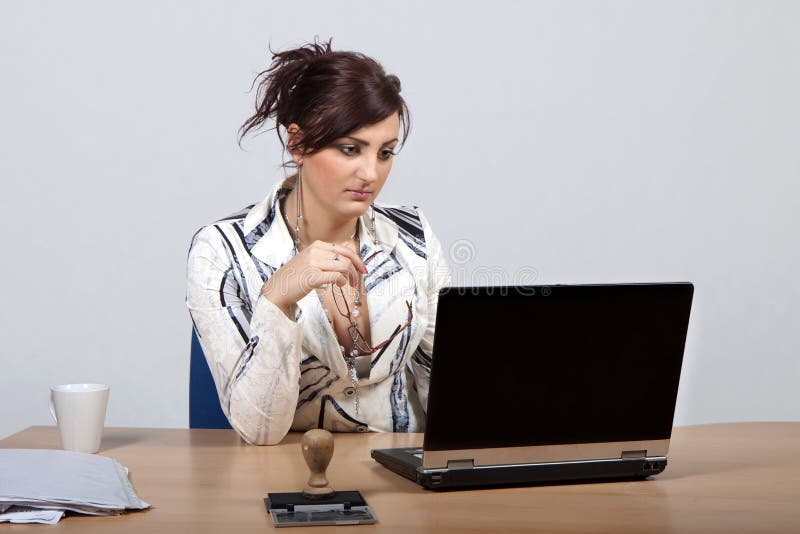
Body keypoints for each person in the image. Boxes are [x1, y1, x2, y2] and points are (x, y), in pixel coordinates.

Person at [186, 39, 451, 445]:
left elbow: (447, 390)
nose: (371, 173)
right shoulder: (222, 249)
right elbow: (258, 430)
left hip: (401, 482)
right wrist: (278, 299)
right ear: (298, 143)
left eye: (385, 153)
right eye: (350, 149)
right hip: (284, 481)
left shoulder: (413, 236)